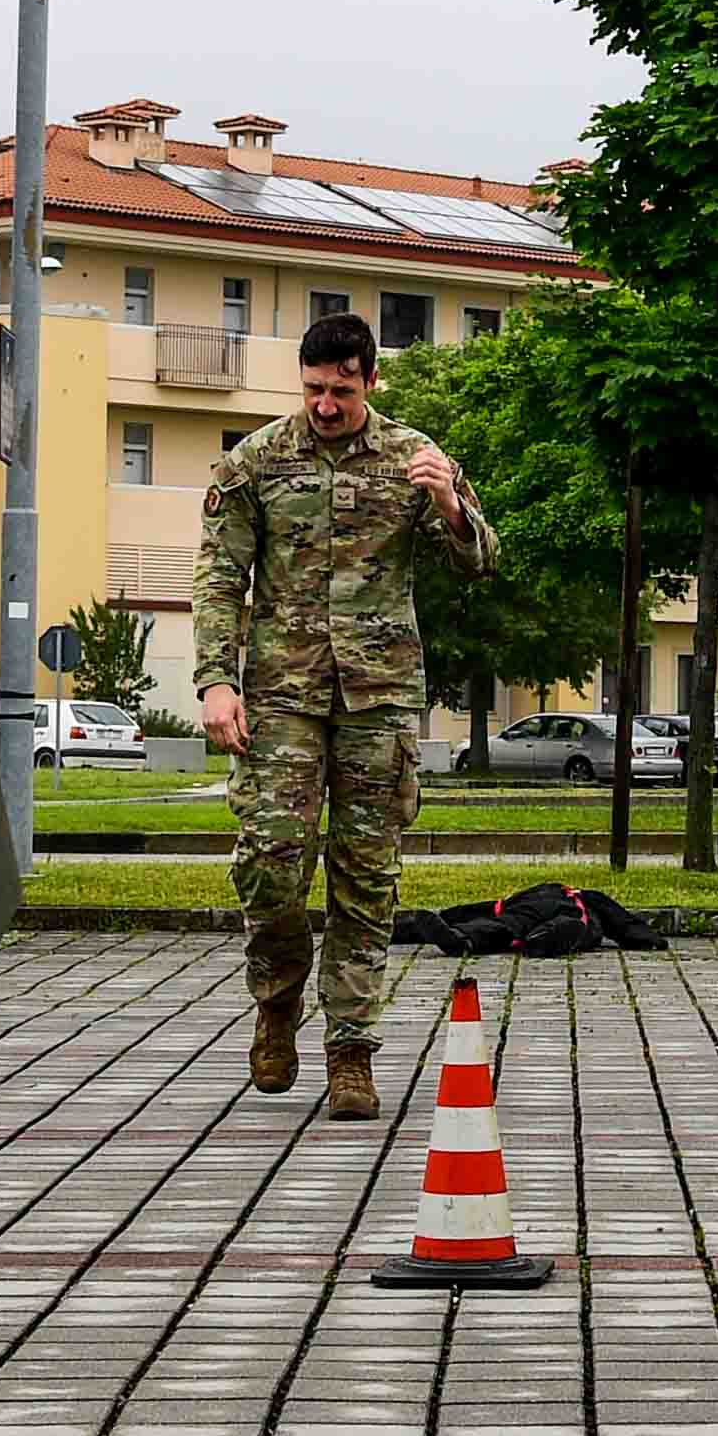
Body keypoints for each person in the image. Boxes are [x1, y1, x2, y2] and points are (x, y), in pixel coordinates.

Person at [191, 313, 493, 1120]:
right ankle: (277, 1000)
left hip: (379, 696)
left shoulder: (414, 458)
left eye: (342, 390)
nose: (326, 404)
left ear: (369, 381)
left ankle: (350, 1051)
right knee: (271, 863)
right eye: (315, 389)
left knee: (366, 877)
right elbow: (220, 579)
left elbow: (479, 561)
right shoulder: (256, 461)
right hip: (281, 695)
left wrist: (451, 505)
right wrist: (217, 683)